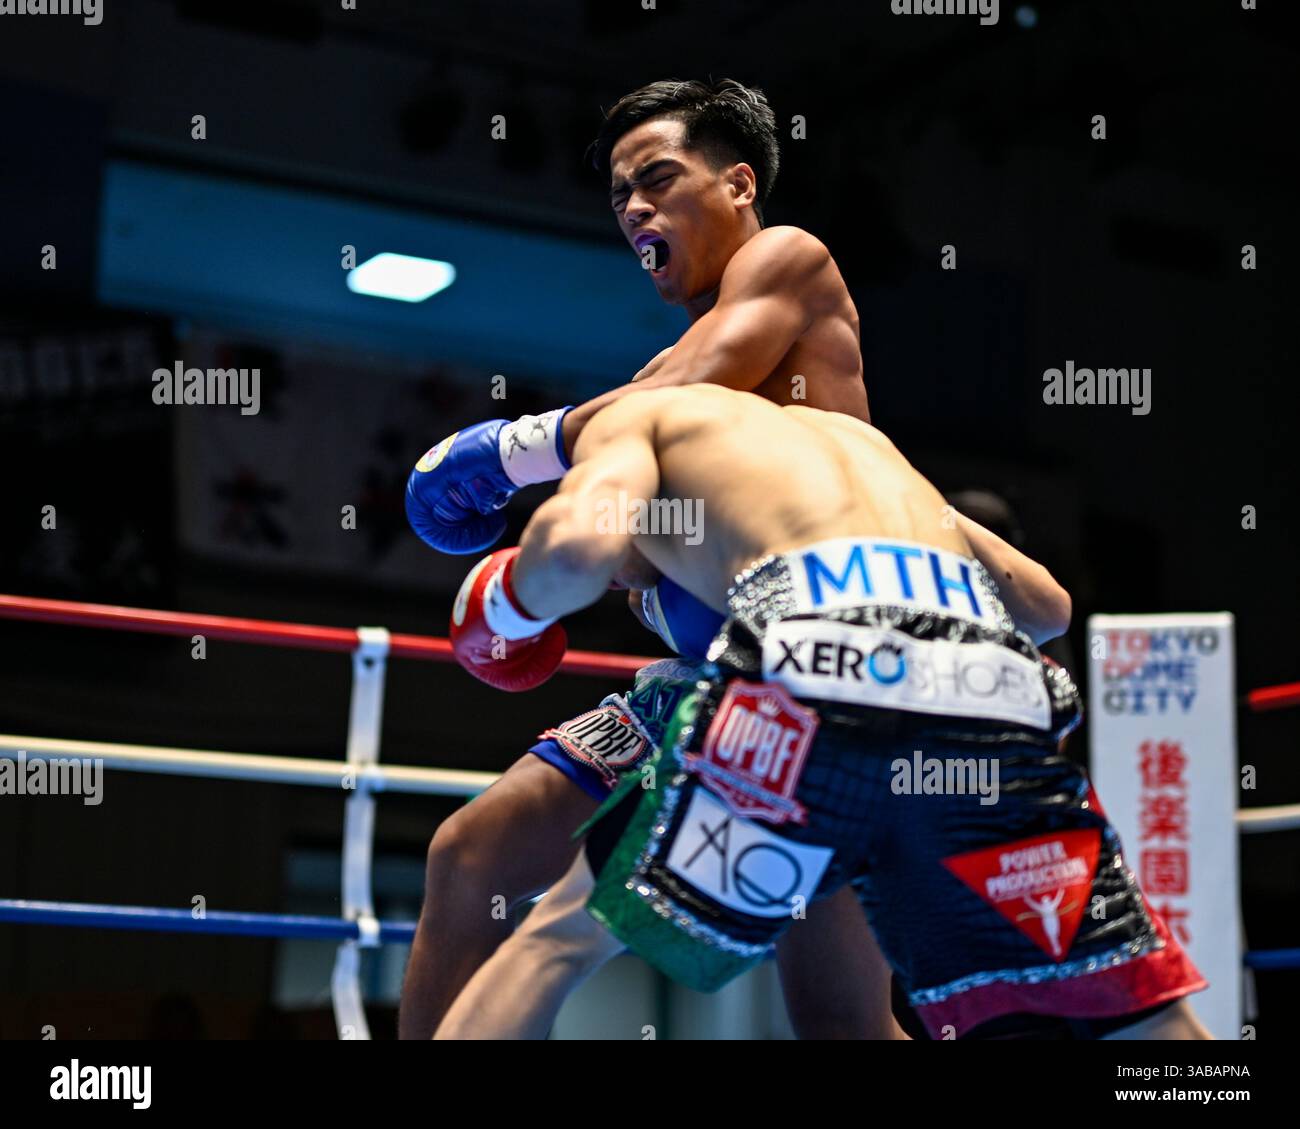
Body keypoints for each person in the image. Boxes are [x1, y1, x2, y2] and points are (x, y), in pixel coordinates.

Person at [436, 385, 1209, 1041]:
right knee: (1139, 1013)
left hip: (812, 666)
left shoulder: (638, 416)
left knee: (556, 941)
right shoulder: (860, 445)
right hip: (988, 691)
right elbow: (1045, 606)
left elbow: (575, 554)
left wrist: (507, 607)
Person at [398, 77, 895, 1041]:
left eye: (658, 178)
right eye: (620, 192)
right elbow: (632, 551)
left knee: (845, 1027)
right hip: (685, 691)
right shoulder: (656, 390)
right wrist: (569, 582)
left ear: (741, 181)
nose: (634, 208)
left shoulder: (790, 264)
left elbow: (683, 389)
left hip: (807, 690)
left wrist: (506, 451)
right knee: (471, 858)